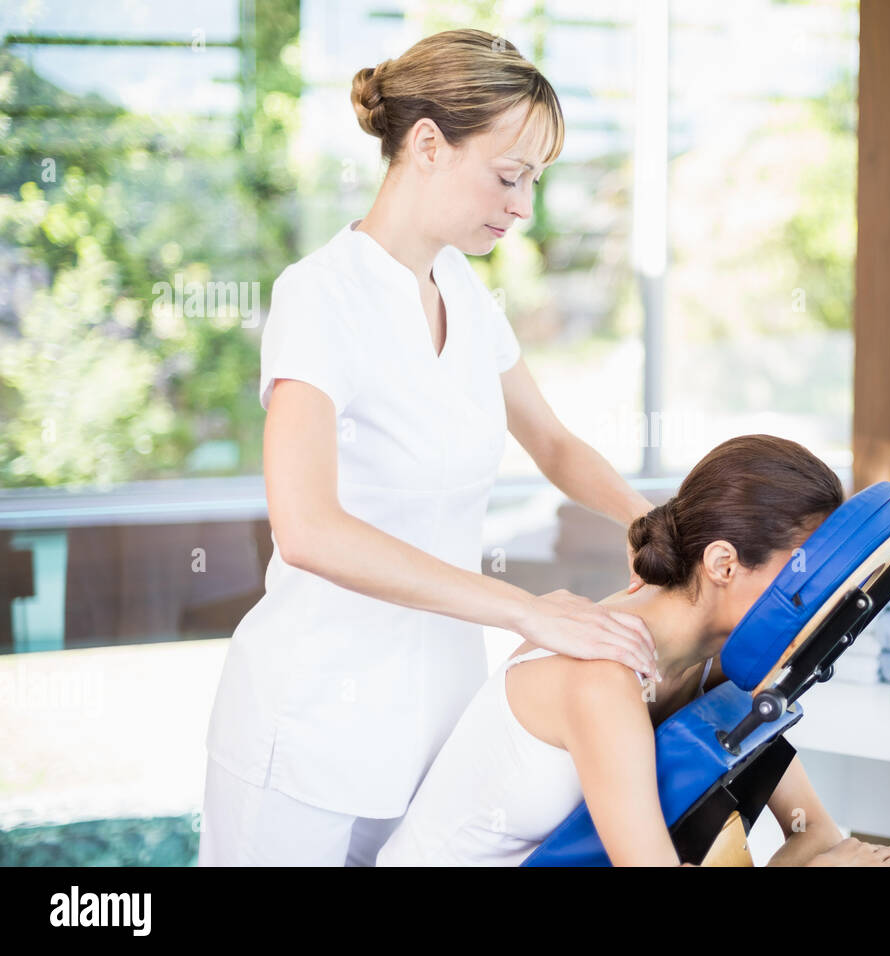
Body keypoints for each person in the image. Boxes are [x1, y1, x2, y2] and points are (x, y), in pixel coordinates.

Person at [200, 29, 662, 867]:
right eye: (509, 175)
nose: (523, 207)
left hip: (433, 718)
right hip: (307, 721)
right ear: (425, 145)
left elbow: (553, 442)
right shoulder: (320, 296)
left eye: (533, 183)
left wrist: (651, 525)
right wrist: (527, 611)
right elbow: (306, 528)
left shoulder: (463, 292)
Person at [376, 435, 890, 867]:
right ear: (723, 563)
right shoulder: (601, 678)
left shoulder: (720, 664)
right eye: (807, 583)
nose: (817, 609)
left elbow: (815, 829)